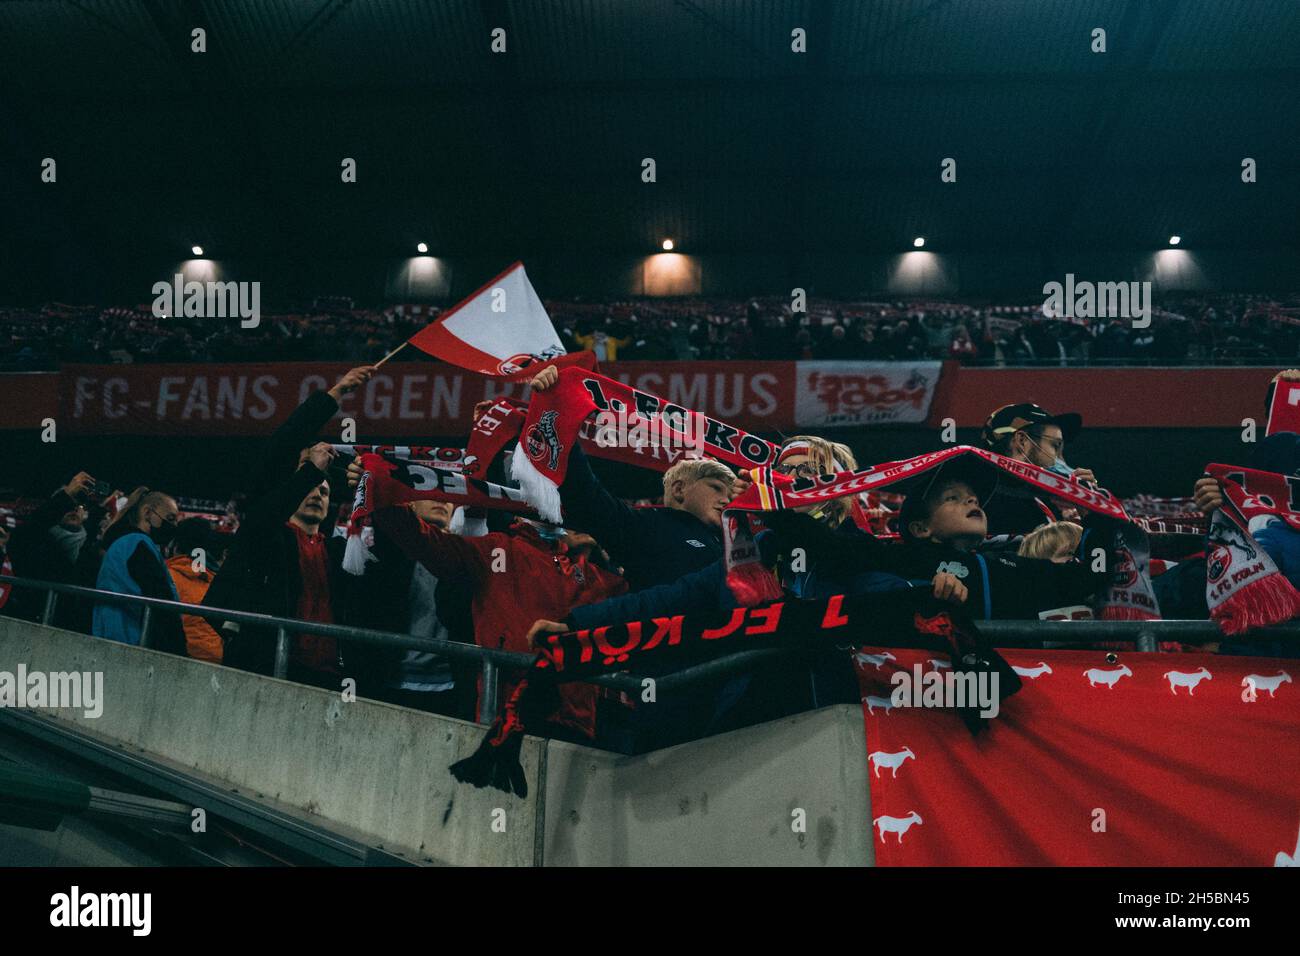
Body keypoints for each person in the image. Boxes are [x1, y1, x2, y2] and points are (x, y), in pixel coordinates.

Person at [369, 503, 627, 743]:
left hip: (575, 720)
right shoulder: (496, 550)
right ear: (517, 509)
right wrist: (382, 492)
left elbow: (651, 589)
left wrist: (610, 540)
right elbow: (423, 539)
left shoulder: (590, 574)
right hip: (507, 710)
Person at [527, 363, 740, 590]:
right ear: (679, 489)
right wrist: (559, 406)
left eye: (730, 493)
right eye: (717, 488)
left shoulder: (740, 541)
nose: (727, 500)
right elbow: (586, 495)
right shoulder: (648, 526)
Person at [980, 402, 1099, 536]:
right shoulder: (979, 507)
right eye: (1055, 446)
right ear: (1022, 441)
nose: (1061, 460)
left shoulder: (1048, 506)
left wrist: (1093, 514)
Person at [92, 491, 187, 654]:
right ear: (148, 513)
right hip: (133, 640)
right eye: (170, 518)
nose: (173, 526)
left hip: (111, 633)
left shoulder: (122, 542)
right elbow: (160, 599)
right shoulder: (138, 544)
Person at [165, 517, 228, 663]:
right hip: (217, 657)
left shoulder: (167, 576)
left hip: (180, 657)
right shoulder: (216, 579)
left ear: (176, 545)